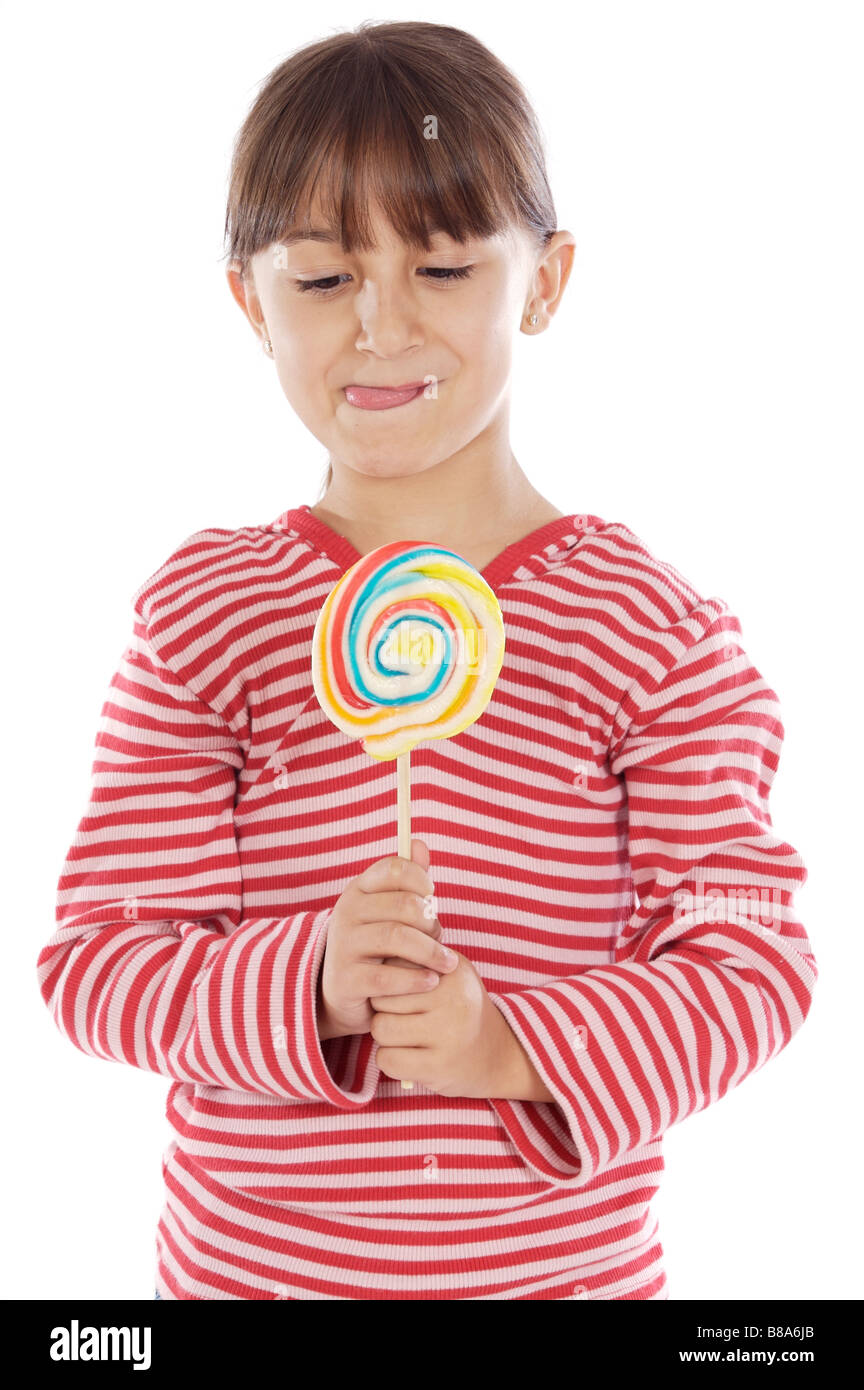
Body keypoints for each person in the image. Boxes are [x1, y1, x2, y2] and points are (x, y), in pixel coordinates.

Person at [37, 20, 817, 1301]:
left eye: (446, 267)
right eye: (324, 278)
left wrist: (507, 1044)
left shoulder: (652, 632)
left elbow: (749, 960)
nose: (383, 327)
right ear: (250, 299)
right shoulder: (211, 615)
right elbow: (102, 961)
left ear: (546, 282)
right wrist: (315, 981)